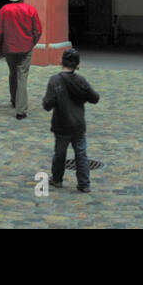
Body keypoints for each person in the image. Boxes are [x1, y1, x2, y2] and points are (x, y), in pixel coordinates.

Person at [42, 48, 100, 193]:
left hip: (61, 124)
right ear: (77, 65)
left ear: (61, 62)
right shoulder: (81, 81)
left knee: (60, 153)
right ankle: (84, 183)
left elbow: (47, 104)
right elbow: (95, 98)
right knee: (81, 154)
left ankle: (57, 179)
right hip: (78, 124)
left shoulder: (55, 80)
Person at [0, 0, 42, 119]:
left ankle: (14, 99)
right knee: (22, 76)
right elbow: (37, 31)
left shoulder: (4, 10)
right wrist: (32, 43)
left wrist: (0, 48)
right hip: (25, 48)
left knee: (12, 73)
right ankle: (21, 110)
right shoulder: (30, 10)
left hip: (9, 48)